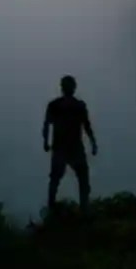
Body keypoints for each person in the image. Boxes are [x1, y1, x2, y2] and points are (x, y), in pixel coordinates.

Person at [43, 75, 97, 213]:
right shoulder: (77, 105)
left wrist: (46, 142)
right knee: (81, 177)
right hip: (72, 148)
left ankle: (53, 207)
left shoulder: (56, 105)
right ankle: (83, 208)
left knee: (56, 179)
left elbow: (47, 125)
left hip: (63, 147)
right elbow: (87, 126)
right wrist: (93, 143)